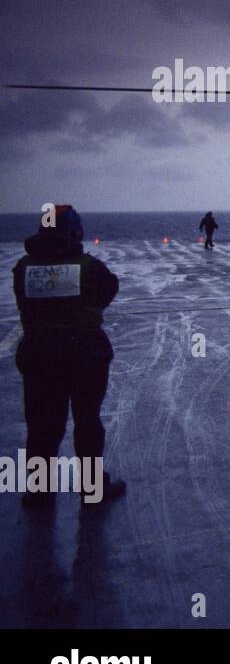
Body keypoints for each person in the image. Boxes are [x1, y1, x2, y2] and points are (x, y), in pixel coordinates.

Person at [11, 205, 126, 508]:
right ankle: (92, 489)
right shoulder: (89, 267)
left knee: (41, 425)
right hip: (84, 353)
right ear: (75, 232)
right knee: (87, 421)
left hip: (39, 354)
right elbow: (107, 292)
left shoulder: (23, 268)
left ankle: (39, 491)